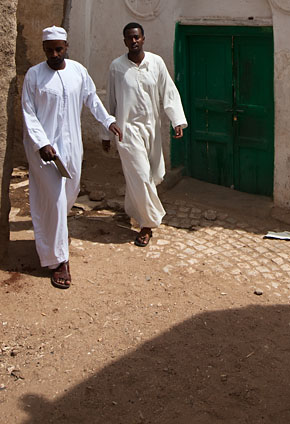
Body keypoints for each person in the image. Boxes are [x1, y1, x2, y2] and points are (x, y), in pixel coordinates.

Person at [21, 26, 122, 289]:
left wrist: (108, 121)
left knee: (68, 195)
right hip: (45, 151)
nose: (54, 54)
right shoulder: (34, 75)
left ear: (66, 47)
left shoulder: (78, 71)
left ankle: (52, 239)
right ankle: (58, 261)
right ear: (44, 50)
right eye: (49, 50)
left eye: (58, 49)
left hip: (72, 147)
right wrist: (41, 143)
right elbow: (28, 113)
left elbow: (92, 100)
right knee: (53, 200)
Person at [102, 23, 187, 247]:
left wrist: (176, 119)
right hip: (126, 130)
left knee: (152, 175)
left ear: (143, 38)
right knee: (140, 174)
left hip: (151, 128)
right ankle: (148, 224)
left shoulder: (155, 63)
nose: (134, 41)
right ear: (124, 41)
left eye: (137, 37)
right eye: (129, 38)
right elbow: (110, 101)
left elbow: (168, 91)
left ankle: (132, 209)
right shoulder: (117, 67)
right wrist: (105, 131)